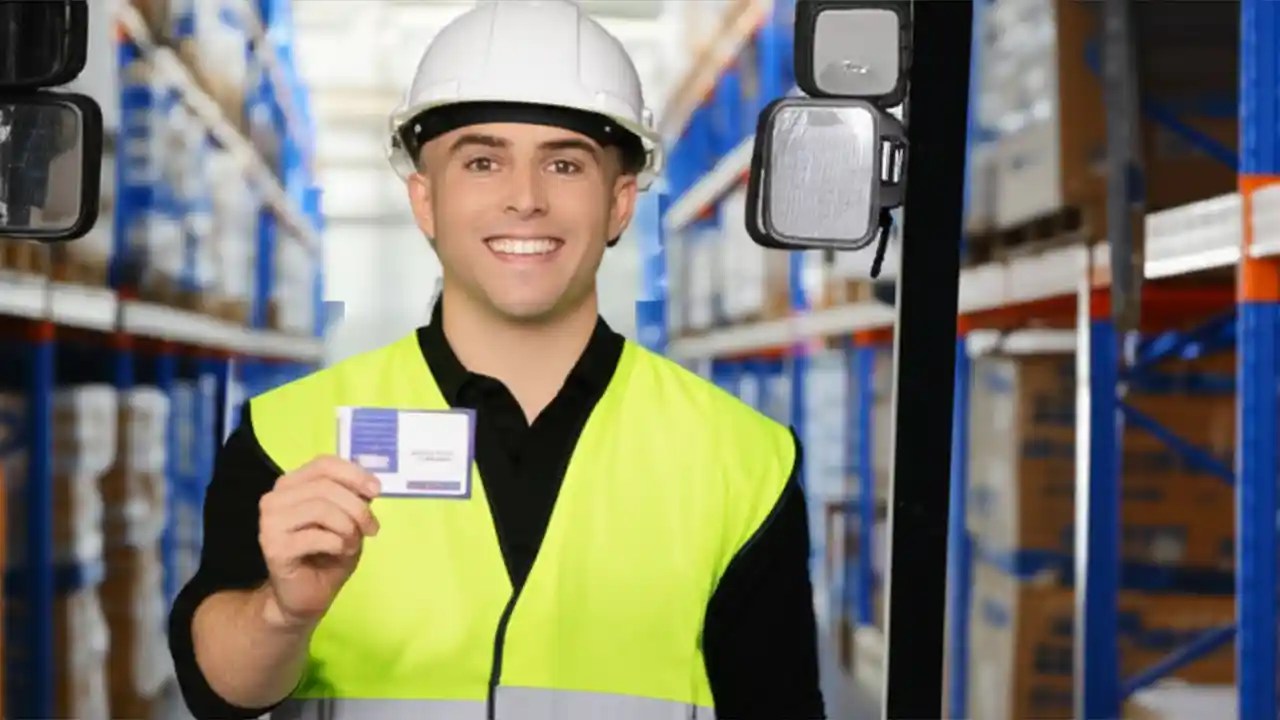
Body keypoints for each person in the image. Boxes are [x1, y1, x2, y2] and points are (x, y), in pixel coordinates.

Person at [167, 2, 827, 718]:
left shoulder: (743, 461)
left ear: (620, 202)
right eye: (482, 162)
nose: (525, 200)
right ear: (426, 200)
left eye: (565, 164)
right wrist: (281, 614)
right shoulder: (289, 435)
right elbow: (217, 692)